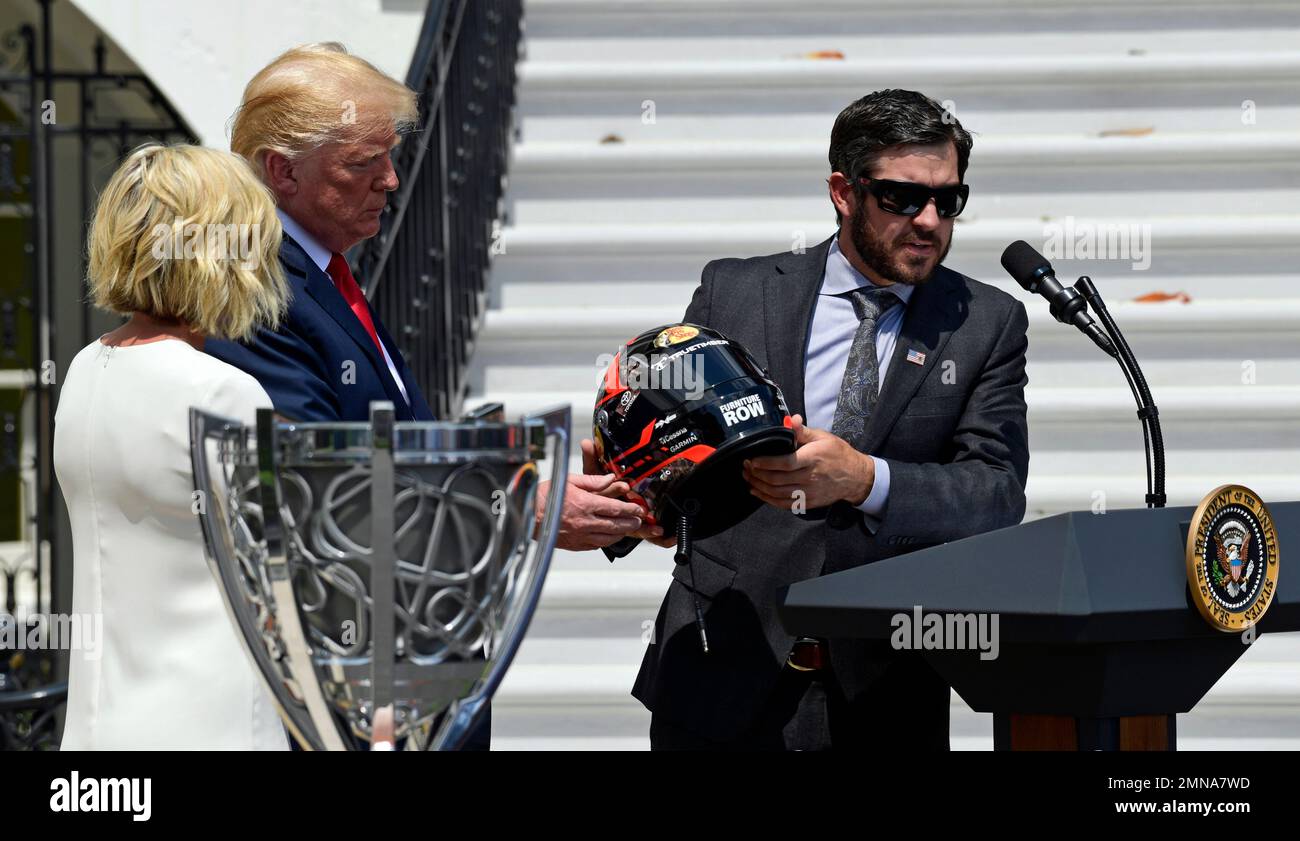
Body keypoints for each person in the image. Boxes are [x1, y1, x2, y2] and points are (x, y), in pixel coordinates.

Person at [206, 43, 654, 749]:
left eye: (390, 155)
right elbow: (323, 494)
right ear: (281, 171)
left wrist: (535, 482)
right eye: (362, 163)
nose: (389, 180)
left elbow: (391, 448)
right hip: (354, 698)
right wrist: (519, 502)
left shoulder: (323, 274)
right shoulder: (263, 292)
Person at [632, 89, 1031, 750]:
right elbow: (670, 438)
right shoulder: (734, 290)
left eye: (949, 200)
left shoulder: (985, 323)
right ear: (844, 192)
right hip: (720, 674)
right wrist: (634, 490)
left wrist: (865, 478)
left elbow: (994, 492)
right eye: (902, 198)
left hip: (883, 695)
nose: (929, 220)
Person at [55, 144, 290, 750]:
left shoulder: (85, 368)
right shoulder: (222, 389)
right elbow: (281, 578)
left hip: (99, 725)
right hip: (214, 720)